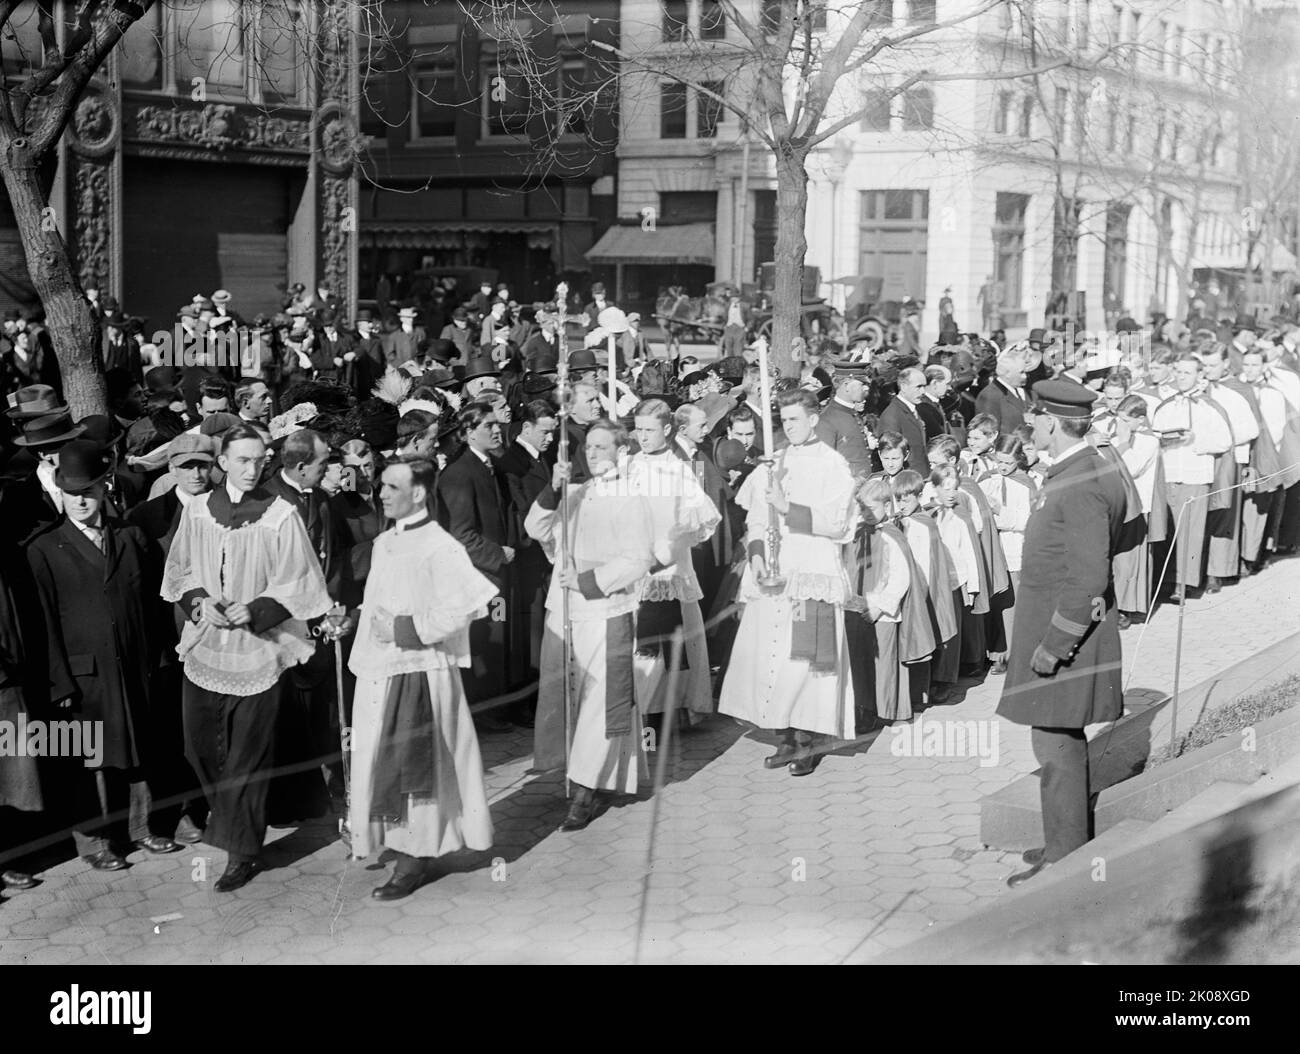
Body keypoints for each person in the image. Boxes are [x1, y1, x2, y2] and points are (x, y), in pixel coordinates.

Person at [160, 424, 336, 892]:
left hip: (260, 650)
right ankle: (234, 817)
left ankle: (242, 850)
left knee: (248, 756)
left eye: (259, 459)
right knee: (199, 745)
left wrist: (255, 609)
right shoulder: (198, 511)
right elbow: (180, 570)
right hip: (207, 646)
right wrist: (199, 603)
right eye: (242, 459)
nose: (253, 467)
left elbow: (302, 582)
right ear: (223, 463)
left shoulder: (280, 514)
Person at [345, 458, 498, 900]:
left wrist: (405, 630)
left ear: (418, 493)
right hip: (379, 670)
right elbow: (381, 601)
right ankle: (392, 838)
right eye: (381, 487)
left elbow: (470, 604)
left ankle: (416, 855)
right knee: (377, 756)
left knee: (416, 764)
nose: (383, 494)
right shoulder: (384, 543)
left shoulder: (440, 545)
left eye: (393, 487)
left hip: (419, 672)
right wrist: (353, 620)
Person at [999, 379, 1129, 888]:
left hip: (1064, 640)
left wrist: (1054, 646)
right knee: (1057, 742)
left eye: (1034, 419)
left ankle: (1065, 862)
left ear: (1052, 424)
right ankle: (1065, 844)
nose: (1029, 425)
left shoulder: (1080, 482)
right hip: (1059, 634)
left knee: (1054, 746)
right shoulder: (1076, 470)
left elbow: (1087, 578)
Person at [27, 440, 181, 871]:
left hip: (136, 665)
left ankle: (143, 828)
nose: (80, 501)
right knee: (91, 759)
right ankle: (98, 841)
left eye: (89, 491)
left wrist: (161, 658)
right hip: (83, 677)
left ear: (104, 488)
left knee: (139, 748)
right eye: (72, 493)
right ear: (60, 494)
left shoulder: (131, 537)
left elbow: (152, 604)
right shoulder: (44, 550)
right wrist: (60, 682)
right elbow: (44, 626)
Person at [718, 390, 857, 776]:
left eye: (795, 419)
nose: (788, 426)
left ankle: (808, 741)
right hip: (774, 575)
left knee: (805, 658)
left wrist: (788, 508)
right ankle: (784, 736)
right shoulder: (772, 463)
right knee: (772, 653)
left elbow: (839, 524)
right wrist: (758, 553)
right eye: (784, 420)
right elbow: (756, 520)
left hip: (811, 572)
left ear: (813, 419)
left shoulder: (833, 465)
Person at [526, 420, 656, 831]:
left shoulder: (631, 499)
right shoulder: (576, 493)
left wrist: (586, 582)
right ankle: (575, 771)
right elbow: (535, 529)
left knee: (601, 702)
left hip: (605, 611)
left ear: (622, 451)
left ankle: (586, 789)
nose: (595, 453)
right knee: (563, 696)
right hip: (563, 614)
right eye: (591, 447)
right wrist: (553, 489)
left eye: (604, 446)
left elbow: (638, 559)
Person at [627, 400, 721, 729]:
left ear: (667, 430)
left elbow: (703, 516)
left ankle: (674, 707)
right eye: (638, 429)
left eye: (649, 430)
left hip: (668, 568)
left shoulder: (678, 469)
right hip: (633, 567)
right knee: (642, 642)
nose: (642, 436)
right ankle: (643, 707)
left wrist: (677, 536)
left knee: (669, 642)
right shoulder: (628, 465)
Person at [435, 402, 516, 732]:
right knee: (484, 644)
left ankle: (493, 709)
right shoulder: (459, 473)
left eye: (497, 424)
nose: (496, 430)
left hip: (494, 578)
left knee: (495, 642)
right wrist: (499, 554)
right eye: (487, 426)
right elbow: (461, 535)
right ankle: (482, 713)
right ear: (468, 432)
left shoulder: (486, 466)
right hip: (480, 578)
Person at [1150, 356, 1233, 599]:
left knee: (1190, 532)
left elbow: (1225, 441)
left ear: (1200, 376)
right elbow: (1154, 434)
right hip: (1168, 474)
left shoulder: (1209, 406)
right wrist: (1164, 439)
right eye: (1179, 372)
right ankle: (1163, 579)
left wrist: (1195, 440)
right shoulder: (1165, 405)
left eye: (1188, 372)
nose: (1182, 377)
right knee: (1164, 530)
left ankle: (1183, 584)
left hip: (1195, 475)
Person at [814, 373, 873, 477]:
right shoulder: (828, 418)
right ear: (846, 386)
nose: (866, 388)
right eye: (862, 384)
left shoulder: (851, 411)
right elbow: (824, 466)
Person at [876, 368, 930, 474]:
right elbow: (890, 457)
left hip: (919, 476)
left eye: (924, 386)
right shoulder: (892, 415)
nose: (923, 392)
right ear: (904, 387)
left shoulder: (912, 409)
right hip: (906, 480)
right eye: (918, 387)